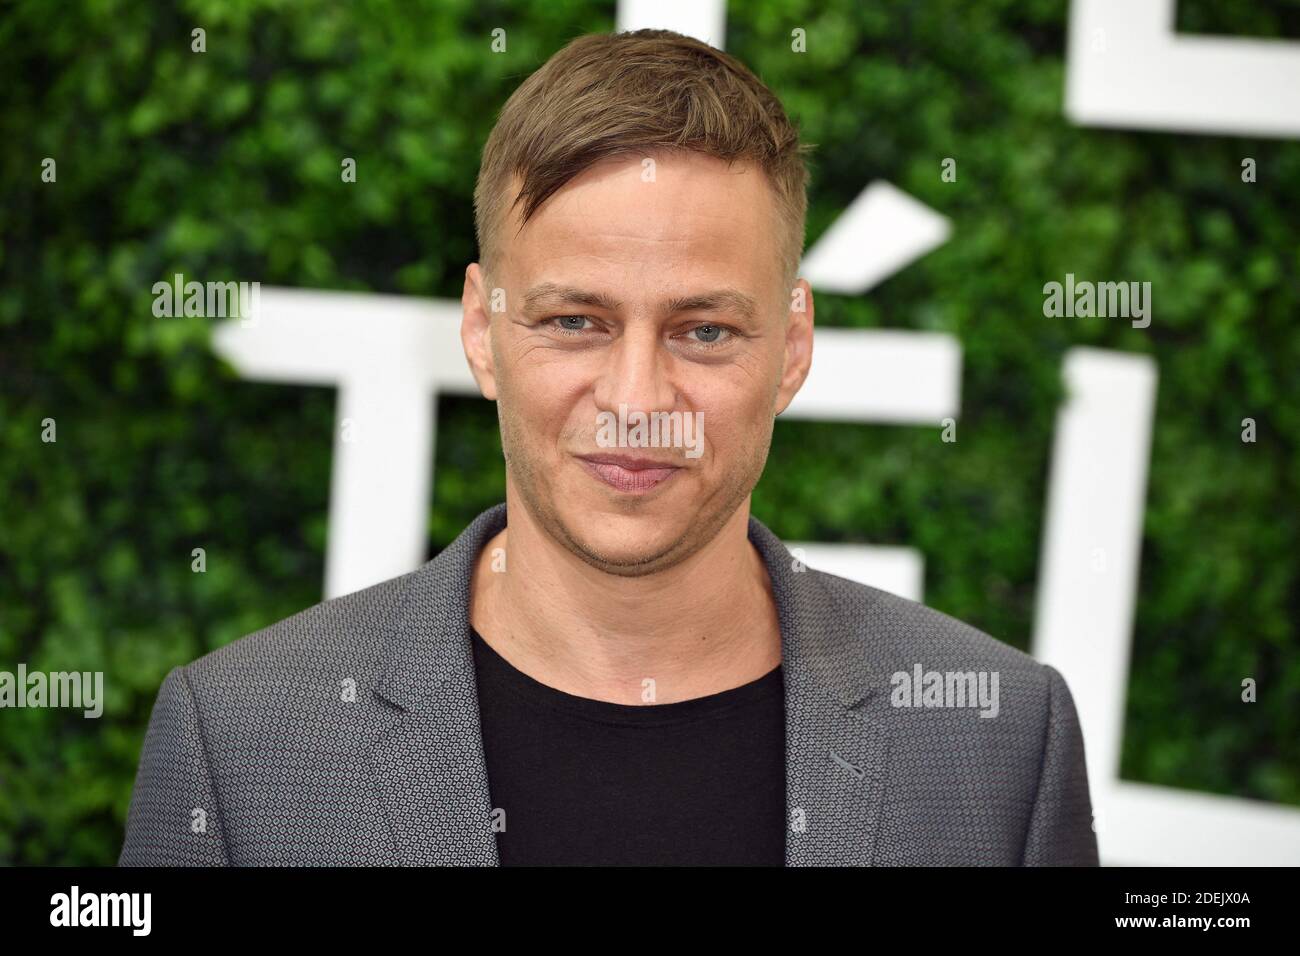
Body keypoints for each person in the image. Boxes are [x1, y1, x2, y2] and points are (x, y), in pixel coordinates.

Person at [119, 28, 1098, 866]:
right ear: (481, 327)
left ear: (792, 347)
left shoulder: (997, 741)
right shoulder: (241, 740)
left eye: (703, 330)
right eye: (576, 321)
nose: (637, 400)